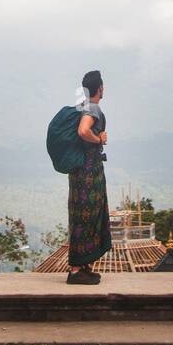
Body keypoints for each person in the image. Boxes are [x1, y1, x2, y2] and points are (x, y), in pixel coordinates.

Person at [67, 69, 112, 285]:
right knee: (86, 216)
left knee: (84, 215)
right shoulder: (92, 107)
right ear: (100, 88)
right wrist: (99, 139)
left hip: (81, 172)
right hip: (87, 173)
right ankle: (76, 269)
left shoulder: (83, 105)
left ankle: (82, 266)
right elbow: (83, 131)